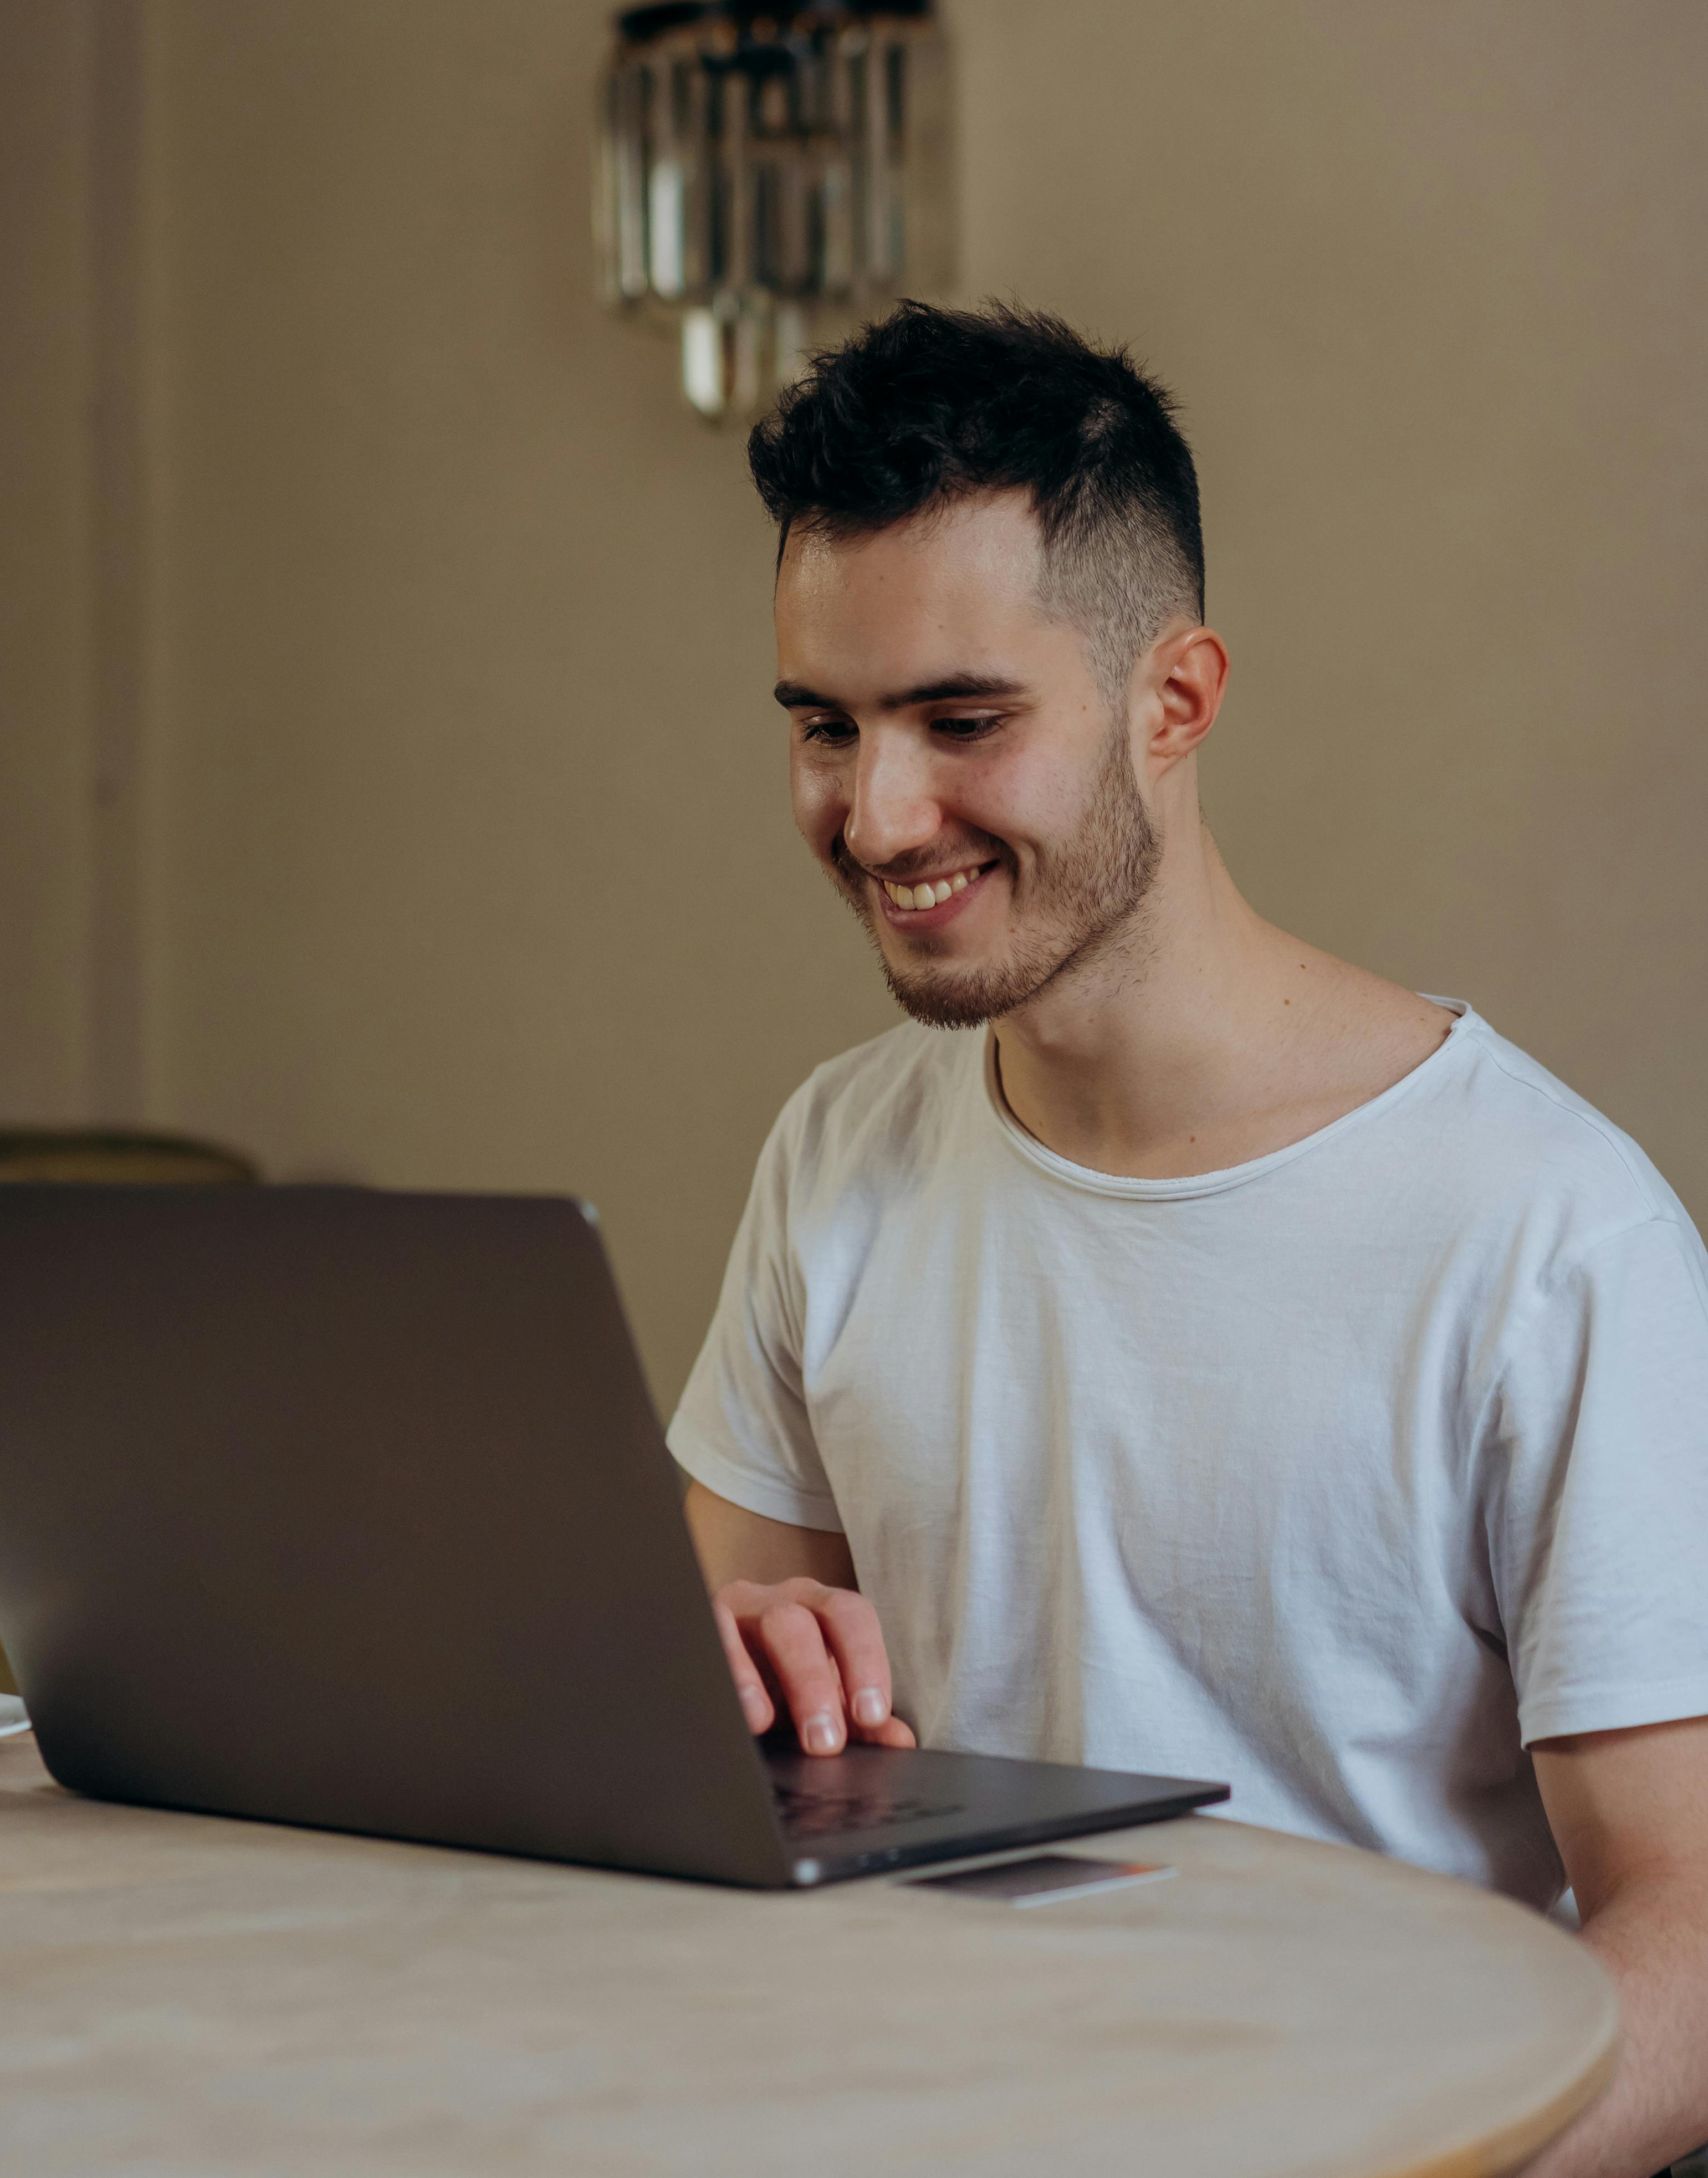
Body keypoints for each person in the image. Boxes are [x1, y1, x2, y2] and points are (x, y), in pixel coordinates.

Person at [667, 302, 1708, 2178]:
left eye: (962, 720)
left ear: (1176, 699)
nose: (878, 812)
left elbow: (1693, 1932)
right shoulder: (838, 1153)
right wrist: (712, 1659)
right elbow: (714, 1722)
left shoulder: (1551, 1234)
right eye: (825, 724)